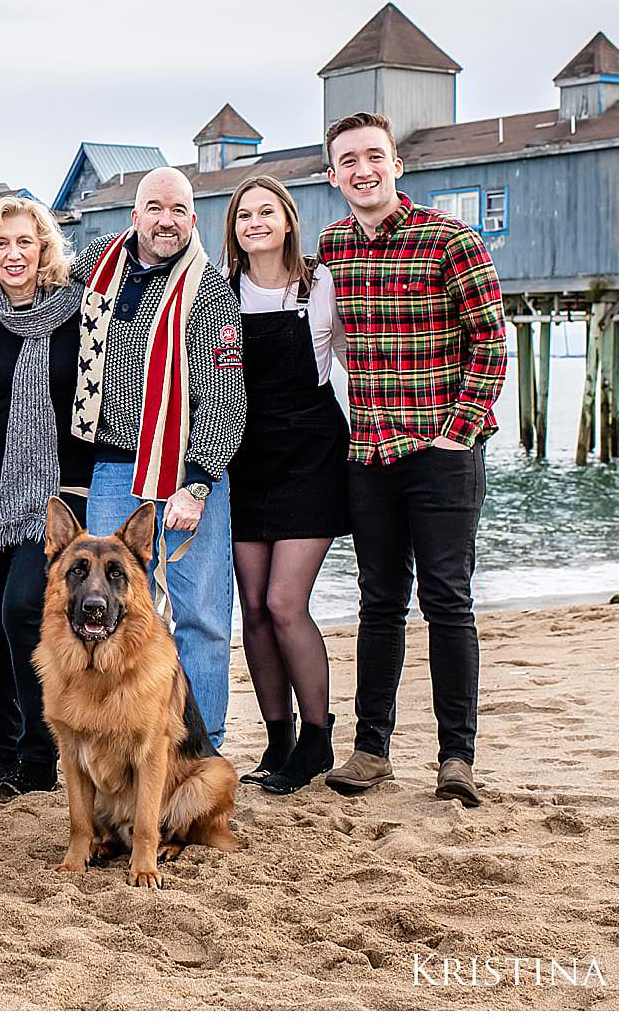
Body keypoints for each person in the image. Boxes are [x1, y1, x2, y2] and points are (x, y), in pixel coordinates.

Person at [316, 111, 505, 808]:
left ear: (397, 165)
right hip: (367, 453)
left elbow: (489, 339)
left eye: (375, 157)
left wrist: (459, 430)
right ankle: (372, 751)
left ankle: (457, 758)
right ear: (332, 176)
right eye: (348, 161)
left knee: (448, 601)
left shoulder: (452, 240)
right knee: (379, 604)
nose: (363, 170)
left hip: (441, 452)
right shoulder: (334, 247)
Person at [67, 167, 246, 751]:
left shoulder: (211, 289)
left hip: (191, 472)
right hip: (115, 467)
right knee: (105, 606)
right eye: (154, 208)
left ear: (192, 219)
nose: (165, 220)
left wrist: (198, 483)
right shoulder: (97, 267)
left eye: (177, 210)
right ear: (135, 214)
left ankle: (202, 743)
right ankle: (116, 737)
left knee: (199, 613)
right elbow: (38, 293)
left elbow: (224, 388)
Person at [0, 195, 93, 801]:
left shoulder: (79, 310)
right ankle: (5, 753)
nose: (14, 254)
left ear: (44, 249)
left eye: (25, 242)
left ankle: (40, 755)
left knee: (24, 611)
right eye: (1, 244)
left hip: (59, 494)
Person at [220, 175, 350, 795]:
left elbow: (361, 358)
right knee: (252, 611)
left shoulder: (320, 283)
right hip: (245, 457)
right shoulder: (219, 292)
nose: (255, 223)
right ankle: (279, 738)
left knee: (282, 604)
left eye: (266, 212)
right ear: (234, 229)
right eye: (245, 215)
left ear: (288, 220)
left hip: (310, 457)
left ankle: (318, 740)